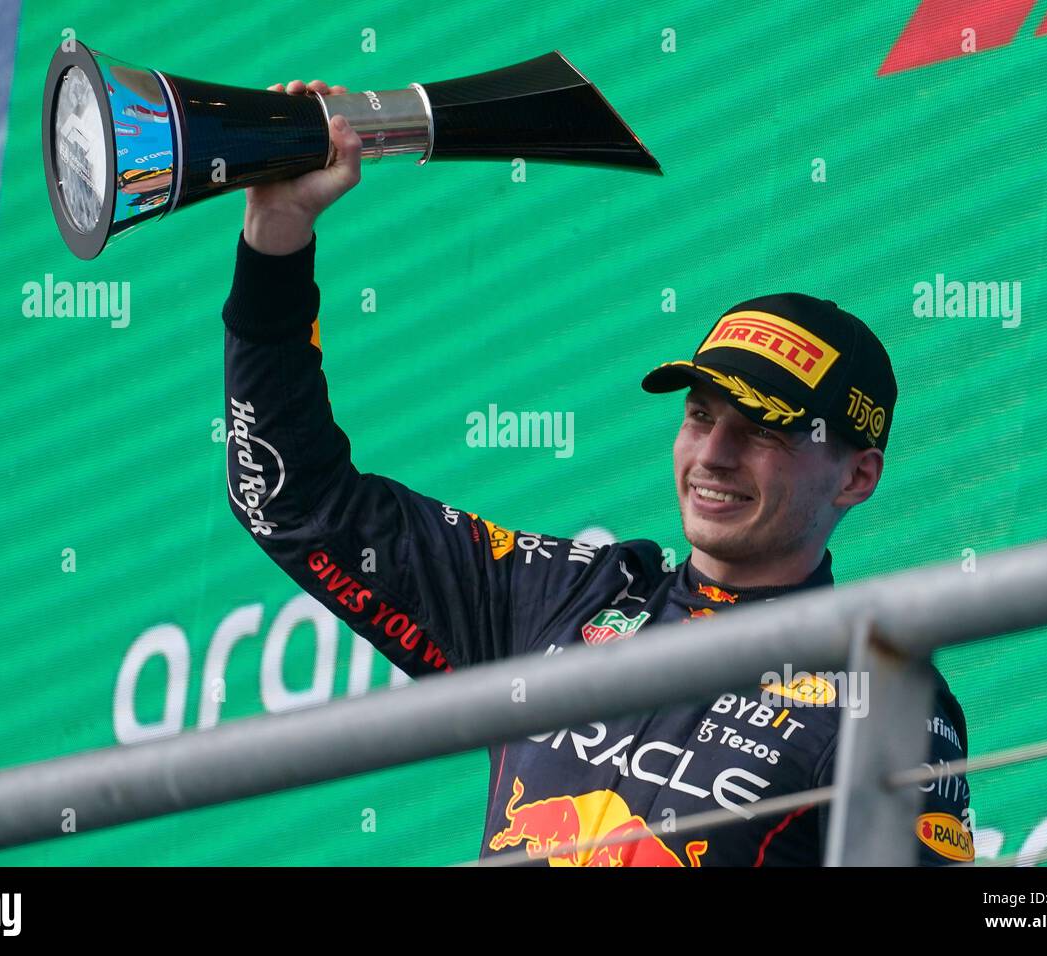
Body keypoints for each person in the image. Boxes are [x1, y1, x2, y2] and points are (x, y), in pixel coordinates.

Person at [222, 79, 973, 866]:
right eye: (700, 417)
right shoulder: (568, 597)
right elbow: (291, 500)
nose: (714, 455)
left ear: (856, 477)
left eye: (762, 433)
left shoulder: (883, 696)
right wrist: (278, 237)